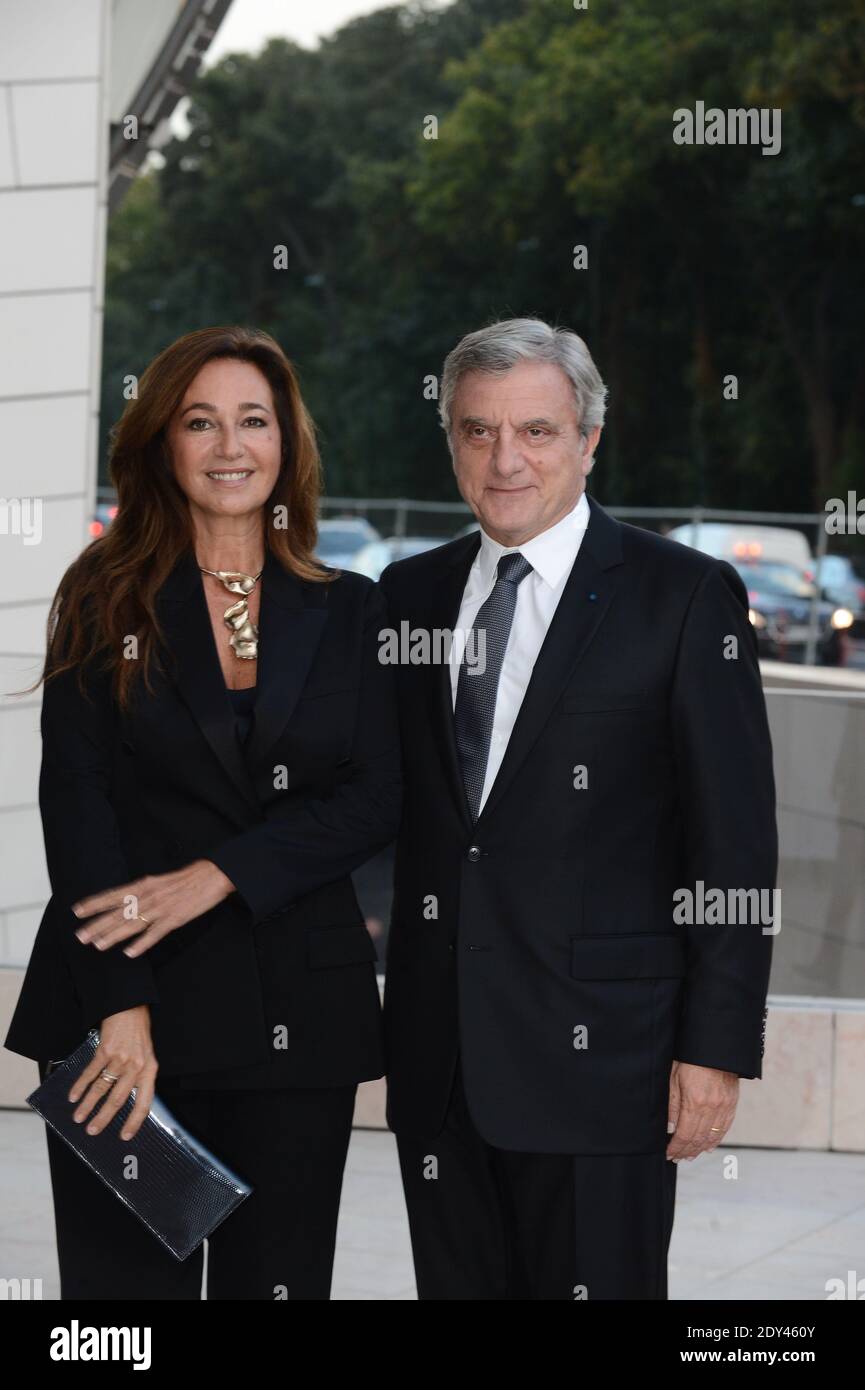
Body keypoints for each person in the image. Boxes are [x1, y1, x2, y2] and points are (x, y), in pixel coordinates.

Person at [379, 317, 776, 1300]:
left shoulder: (682, 597)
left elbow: (733, 843)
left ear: (589, 440)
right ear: (452, 443)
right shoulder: (407, 598)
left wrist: (713, 1049)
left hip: (609, 1067)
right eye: (477, 431)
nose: (504, 459)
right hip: (442, 1068)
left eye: (537, 431)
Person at [4, 325, 401, 1300]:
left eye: (254, 420)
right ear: (164, 445)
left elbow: (377, 796)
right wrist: (120, 1015)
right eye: (201, 421)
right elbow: (78, 806)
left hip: (295, 1014)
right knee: (120, 1310)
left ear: (286, 443)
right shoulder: (104, 596)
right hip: (124, 1007)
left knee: (278, 1285)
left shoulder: (353, 611)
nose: (231, 446)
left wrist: (219, 874)